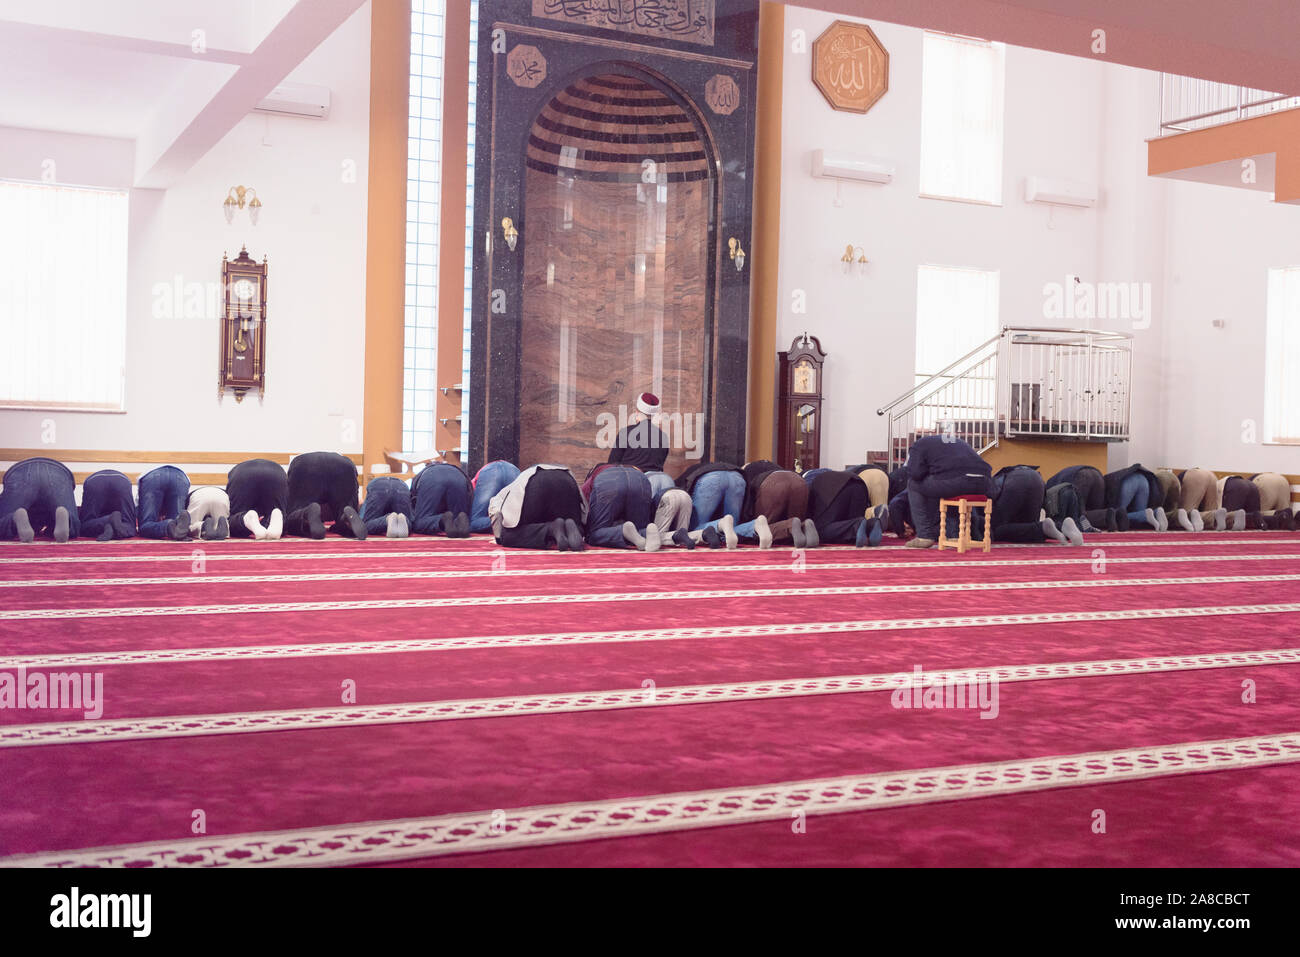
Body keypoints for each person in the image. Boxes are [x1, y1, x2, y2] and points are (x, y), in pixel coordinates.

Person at [902, 435, 993, 548]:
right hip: (985, 482)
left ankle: (924, 536)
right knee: (950, 489)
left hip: (957, 481)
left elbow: (915, 473)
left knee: (913, 484)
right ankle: (954, 535)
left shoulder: (918, 445)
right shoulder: (958, 441)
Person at [489, 464, 586, 550]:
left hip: (537, 482)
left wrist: (499, 538)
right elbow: (583, 507)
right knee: (568, 521)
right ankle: (577, 529)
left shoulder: (503, 493)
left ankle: (551, 529)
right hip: (567, 478)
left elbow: (495, 510)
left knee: (508, 536)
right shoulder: (518, 481)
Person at [986, 465, 1083, 544]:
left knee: (995, 531)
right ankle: (1062, 526)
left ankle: (1043, 528)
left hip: (1012, 482)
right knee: (1029, 527)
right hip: (1037, 479)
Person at [608, 392, 675, 500]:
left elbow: (612, 465)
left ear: (637, 411)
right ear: (653, 414)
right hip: (663, 482)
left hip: (635, 484)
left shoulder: (626, 432)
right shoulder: (663, 436)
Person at [284, 451, 366, 539]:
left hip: (304, 467)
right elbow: (357, 497)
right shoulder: (345, 461)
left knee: (292, 517)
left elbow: (287, 497)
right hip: (345, 466)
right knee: (344, 509)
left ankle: (306, 514)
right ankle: (345, 519)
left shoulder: (298, 462)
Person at [0, 457, 80, 543]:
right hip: (58, 473)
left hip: (19, 473)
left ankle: (14, 518)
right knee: (73, 525)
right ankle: (67, 518)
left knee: (5, 521)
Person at [583, 464, 661, 550]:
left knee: (594, 534)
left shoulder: (593, 475)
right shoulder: (631, 467)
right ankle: (647, 531)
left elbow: (583, 503)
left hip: (608, 480)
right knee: (639, 527)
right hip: (639, 478)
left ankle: (622, 532)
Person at [807, 469, 890, 547]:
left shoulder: (807, 482)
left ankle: (856, 526)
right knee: (850, 528)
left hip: (834, 489)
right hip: (859, 483)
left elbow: (809, 511)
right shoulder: (815, 475)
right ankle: (871, 524)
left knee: (819, 530)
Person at [676, 461, 746, 548]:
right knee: (732, 527)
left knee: (695, 530)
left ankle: (721, 524)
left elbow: (677, 494)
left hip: (711, 478)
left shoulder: (691, 470)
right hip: (737, 476)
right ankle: (755, 526)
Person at [1043, 465, 1123, 531]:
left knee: (1076, 517)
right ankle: (1117, 514)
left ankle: (1106, 515)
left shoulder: (1050, 489)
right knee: (1090, 511)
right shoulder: (1055, 479)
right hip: (1097, 475)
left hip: (1081, 477)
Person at [227, 457, 288, 540]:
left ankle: (245, 518)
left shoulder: (236, 470)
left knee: (234, 517)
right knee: (280, 513)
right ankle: (276, 516)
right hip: (276, 472)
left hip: (242, 473)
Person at [410, 462, 472, 537]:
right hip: (459, 476)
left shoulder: (424, 472)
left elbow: (413, 502)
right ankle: (460, 525)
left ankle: (442, 520)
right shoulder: (453, 468)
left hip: (431, 477)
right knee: (458, 518)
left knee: (419, 522)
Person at [1103, 464, 1168, 531]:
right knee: (1137, 515)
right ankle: (1156, 512)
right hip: (1143, 479)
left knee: (1118, 516)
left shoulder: (1102, 486)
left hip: (1128, 482)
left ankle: (1145, 515)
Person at [77, 469, 137, 542]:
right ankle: (116, 530)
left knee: (85, 525)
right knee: (129, 524)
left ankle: (107, 521)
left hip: (95, 480)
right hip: (122, 480)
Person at [136, 465, 191, 541]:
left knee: (145, 526)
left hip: (153, 475)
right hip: (180, 476)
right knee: (177, 523)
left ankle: (167, 526)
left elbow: (138, 507)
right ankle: (176, 529)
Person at [470, 460, 521, 533]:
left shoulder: (473, 485)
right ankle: (514, 522)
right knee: (520, 515)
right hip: (513, 470)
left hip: (491, 471)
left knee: (474, 521)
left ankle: (506, 521)